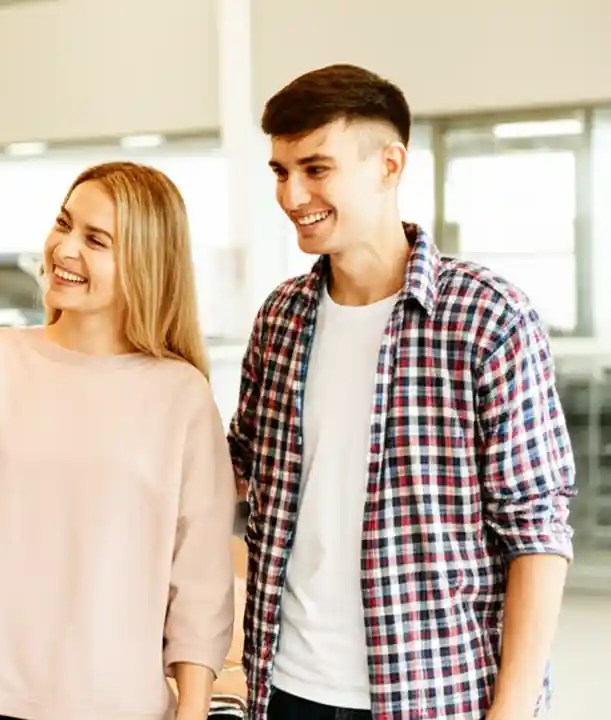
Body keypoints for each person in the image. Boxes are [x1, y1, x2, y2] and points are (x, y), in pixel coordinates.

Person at [228, 63, 577, 720]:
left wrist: (510, 711)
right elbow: (238, 472)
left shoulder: (489, 318)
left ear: (389, 166)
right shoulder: (280, 319)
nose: (292, 194)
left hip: (436, 694)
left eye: (316, 168)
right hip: (286, 688)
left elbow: (536, 532)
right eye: (280, 171)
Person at [0, 161, 236, 720]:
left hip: (117, 706)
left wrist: (193, 708)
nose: (65, 248)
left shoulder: (180, 394)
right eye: (64, 223)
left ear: (145, 262)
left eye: (96, 240)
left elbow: (200, 574)